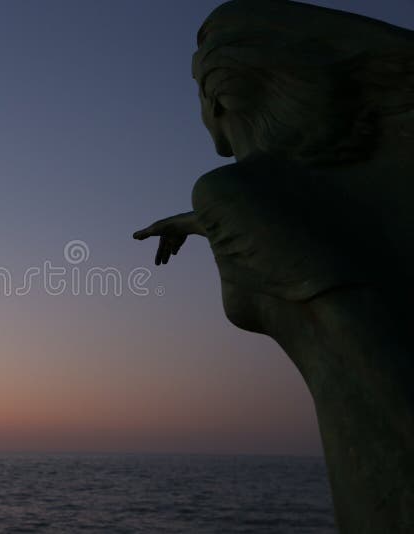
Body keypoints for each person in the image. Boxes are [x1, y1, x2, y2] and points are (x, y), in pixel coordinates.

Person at [133, 1, 414, 532]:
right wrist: (195, 223)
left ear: (216, 98)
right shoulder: (323, 194)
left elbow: (356, 330)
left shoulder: (233, 193)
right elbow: (274, 228)